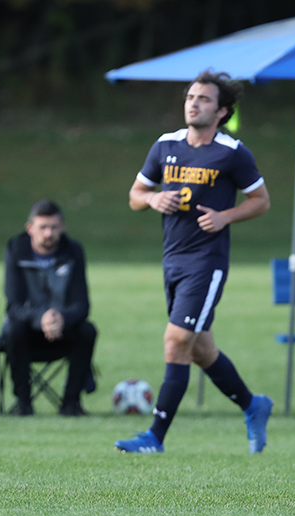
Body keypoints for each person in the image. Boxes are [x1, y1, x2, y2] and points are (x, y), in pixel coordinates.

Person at [115, 70, 274, 454]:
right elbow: (136, 194)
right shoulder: (165, 146)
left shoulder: (232, 152)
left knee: (176, 341)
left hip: (207, 261)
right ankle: (254, 406)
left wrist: (225, 217)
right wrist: (153, 199)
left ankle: (154, 437)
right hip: (173, 259)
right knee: (200, 349)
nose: (193, 103)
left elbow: (261, 201)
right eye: (190, 97)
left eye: (203, 99)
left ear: (221, 111)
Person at [3, 199, 96, 416]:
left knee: (88, 330)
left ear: (62, 227)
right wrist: (41, 318)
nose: (48, 233)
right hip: (27, 334)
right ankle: (23, 403)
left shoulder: (73, 251)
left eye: (54, 227)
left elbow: (82, 306)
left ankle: (71, 403)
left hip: (63, 332)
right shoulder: (16, 250)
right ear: (30, 229)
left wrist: (60, 318)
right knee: (12, 329)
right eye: (43, 227)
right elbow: (13, 306)